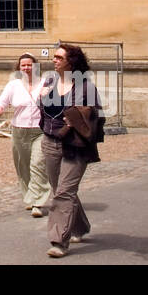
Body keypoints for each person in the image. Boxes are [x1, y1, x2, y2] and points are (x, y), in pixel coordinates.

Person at [38, 42, 103, 259]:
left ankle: (59, 241)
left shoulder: (86, 87)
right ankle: (81, 227)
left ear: (71, 62)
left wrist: (78, 115)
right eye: (54, 57)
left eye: (59, 57)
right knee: (61, 190)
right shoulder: (50, 81)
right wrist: (42, 96)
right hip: (50, 141)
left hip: (75, 145)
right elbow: (44, 111)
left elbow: (96, 117)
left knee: (64, 192)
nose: (54, 60)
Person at [0, 53, 51, 216]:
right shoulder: (14, 85)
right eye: (23, 65)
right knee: (23, 166)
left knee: (38, 164)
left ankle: (37, 203)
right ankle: (30, 196)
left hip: (41, 131)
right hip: (19, 130)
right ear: (19, 68)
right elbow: (2, 100)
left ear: (36, 66)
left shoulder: (46, 83)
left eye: (29, 65)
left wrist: (47, 96)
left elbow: (55, 103)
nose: (26, 68)